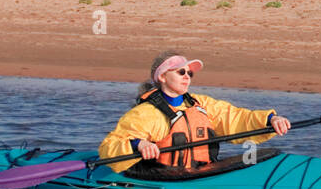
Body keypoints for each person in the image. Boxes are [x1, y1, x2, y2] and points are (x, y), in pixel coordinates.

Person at [100, 50, 291, 179]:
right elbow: (111, 145)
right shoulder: (147, 113)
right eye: (181, 72)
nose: (187, 77)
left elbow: (235, 118)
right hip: (165, 177)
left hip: (201, 174)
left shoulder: (201, 104)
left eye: (190, 73)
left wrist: (270, 119)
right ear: (162, 77)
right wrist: (139, 143)